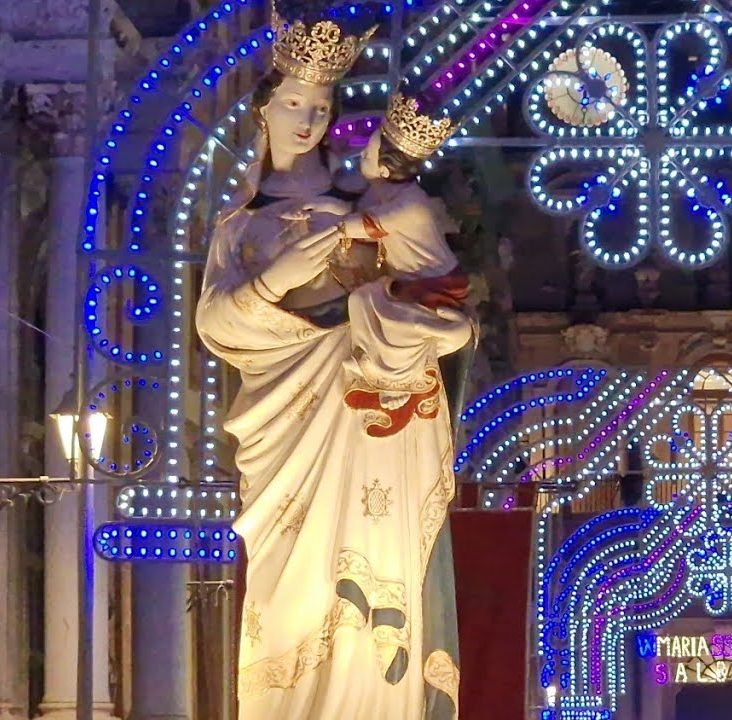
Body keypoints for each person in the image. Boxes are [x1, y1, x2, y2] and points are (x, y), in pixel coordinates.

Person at [196, 6, 466, 717]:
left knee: (378, 561)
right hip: (283, 424)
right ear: (264, 112)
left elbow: (440, 296)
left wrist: (420, 325)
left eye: (319, 105)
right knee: (289, 585)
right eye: (292, 102)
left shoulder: (374, 206)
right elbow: (216, 324)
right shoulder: (240, 225)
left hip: (369, 411)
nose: (307, 118)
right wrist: (274, 279)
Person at [337, 94, 472, 432]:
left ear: (384, 168)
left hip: (435, 283)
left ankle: (394, 375)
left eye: (367, 154)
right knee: (363, 299)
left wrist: (329, 225)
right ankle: (377, 367)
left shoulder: (410, 204)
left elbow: (364, 226)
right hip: (410, 280)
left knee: (386, 314)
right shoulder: (384, 192)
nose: (361, 158)